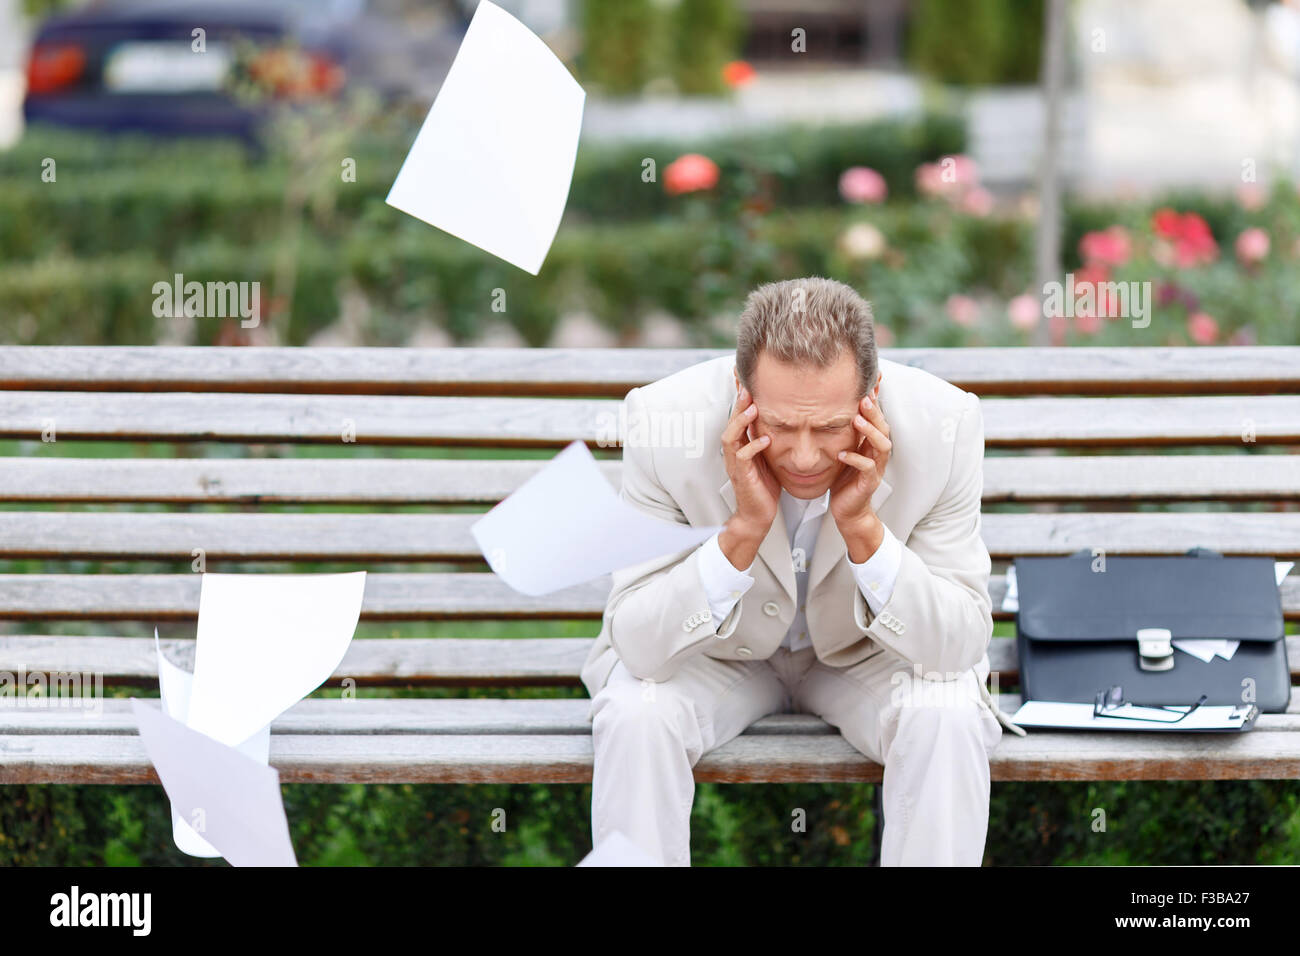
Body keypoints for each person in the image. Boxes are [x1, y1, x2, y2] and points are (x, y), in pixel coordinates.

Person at [580, 276, 1024, 867]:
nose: (806, 456)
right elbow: (637, 643)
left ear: (874, 394)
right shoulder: (664, 421)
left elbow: (959, 642)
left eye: (831, 427)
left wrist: (864, 527)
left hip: (869, 656)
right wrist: (741, 532)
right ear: (741, 391)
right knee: (636, 711)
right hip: (719, 656)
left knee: (947, 712)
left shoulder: (945, 425)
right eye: (782, 427)